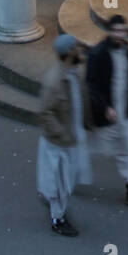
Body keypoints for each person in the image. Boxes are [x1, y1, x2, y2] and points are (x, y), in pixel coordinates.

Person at [85, 14, 128, 209]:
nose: (119, 34)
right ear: (109, 31)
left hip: (124, 113)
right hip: (107, 116)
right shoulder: (98, 54)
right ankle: (66, 174)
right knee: (93, 149)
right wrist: (105, 107)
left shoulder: (125, 49)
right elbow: (91, 85)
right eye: (116, 31)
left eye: (122, 31)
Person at [35, 34, 91, 237]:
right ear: (68, 53)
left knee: (66, 179)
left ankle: (51, 199)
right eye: (76, 47)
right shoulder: (55, 81)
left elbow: (79, 100)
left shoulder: (72, 73)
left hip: (70, 138)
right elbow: (45, 113)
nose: (80, 49)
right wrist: (63, 135)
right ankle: (57, 219)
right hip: (59, 143)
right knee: (60, 183)